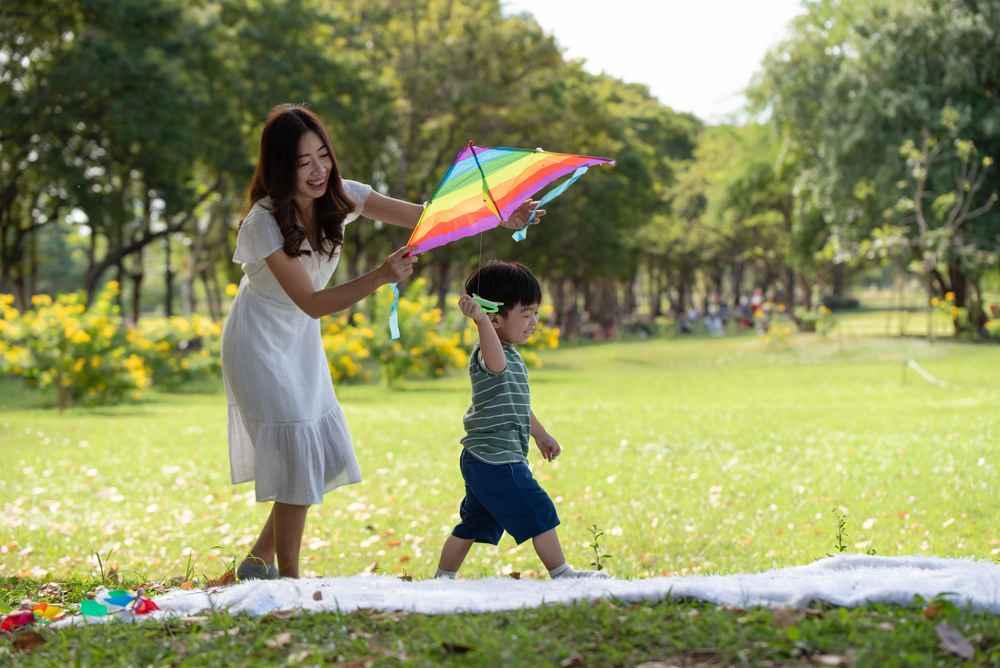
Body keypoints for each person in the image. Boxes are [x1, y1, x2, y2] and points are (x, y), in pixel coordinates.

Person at [222, 104, 538, 579]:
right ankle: (288, 579)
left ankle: (255, 563)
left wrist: (502, 217)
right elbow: (311, 302)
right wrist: (381, 275)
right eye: (302, 161)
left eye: (323, 156)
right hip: (259, 343)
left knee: (305, 451)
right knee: (296, 449)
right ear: (278, 167)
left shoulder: (342, 196)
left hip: (299, 342)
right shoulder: (263, 223)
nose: (317, 170)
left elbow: (428, 219)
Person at [434, 262, 609, 580]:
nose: (534, 323)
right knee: (538, 508)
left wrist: (540, 435)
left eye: (535, 314)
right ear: (496, 318)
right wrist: (481, 321)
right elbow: (495, 363)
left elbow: (519, 406)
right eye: (526, 315)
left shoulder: (511, 353)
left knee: (473, 522)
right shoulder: (490, 354)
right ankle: (561, 572)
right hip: (494, 459)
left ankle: (443, 577)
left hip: (490, 457)